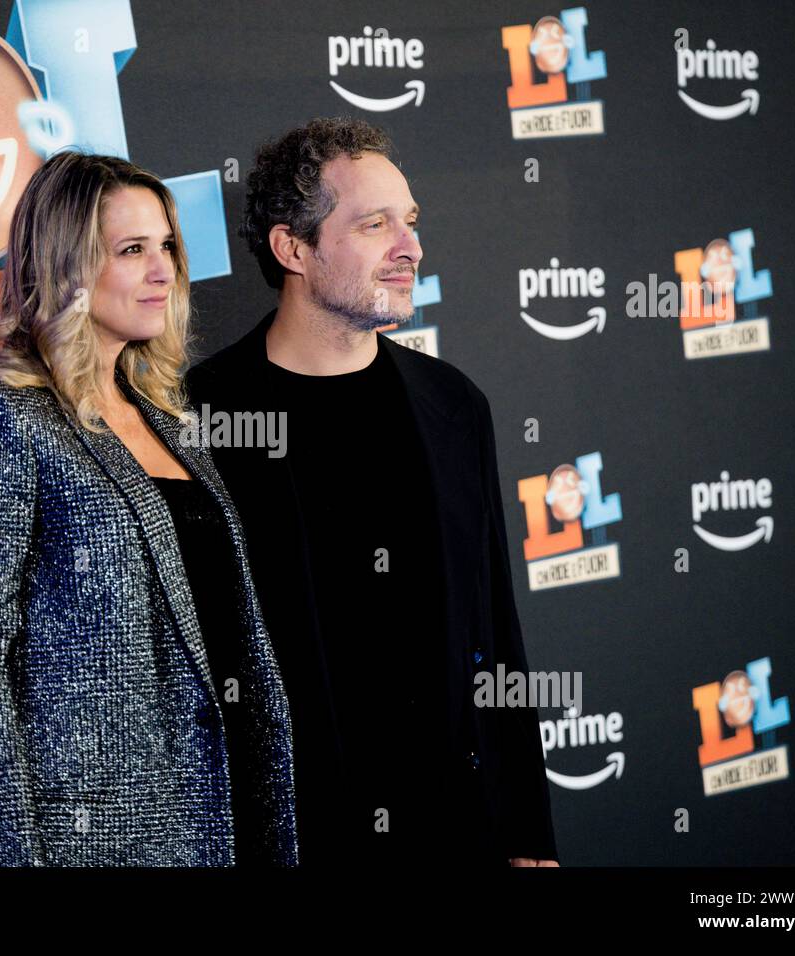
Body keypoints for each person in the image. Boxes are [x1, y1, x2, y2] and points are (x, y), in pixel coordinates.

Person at [186, 117, 560, 868]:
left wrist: (527, 832)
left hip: (457, 832)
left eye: (411, 221)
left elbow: (496, 628)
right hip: (294, 836)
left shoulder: (455, 405)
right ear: (293, 247)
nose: (410, 248)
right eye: (374, 224)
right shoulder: (202, 414)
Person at [0, 149, 297, 866]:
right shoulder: (1, 416)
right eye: (133, 250)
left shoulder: (170, 418)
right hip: (102, 840)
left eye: (167, 247)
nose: (164, 271)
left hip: (228, 810)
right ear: (65, 264)